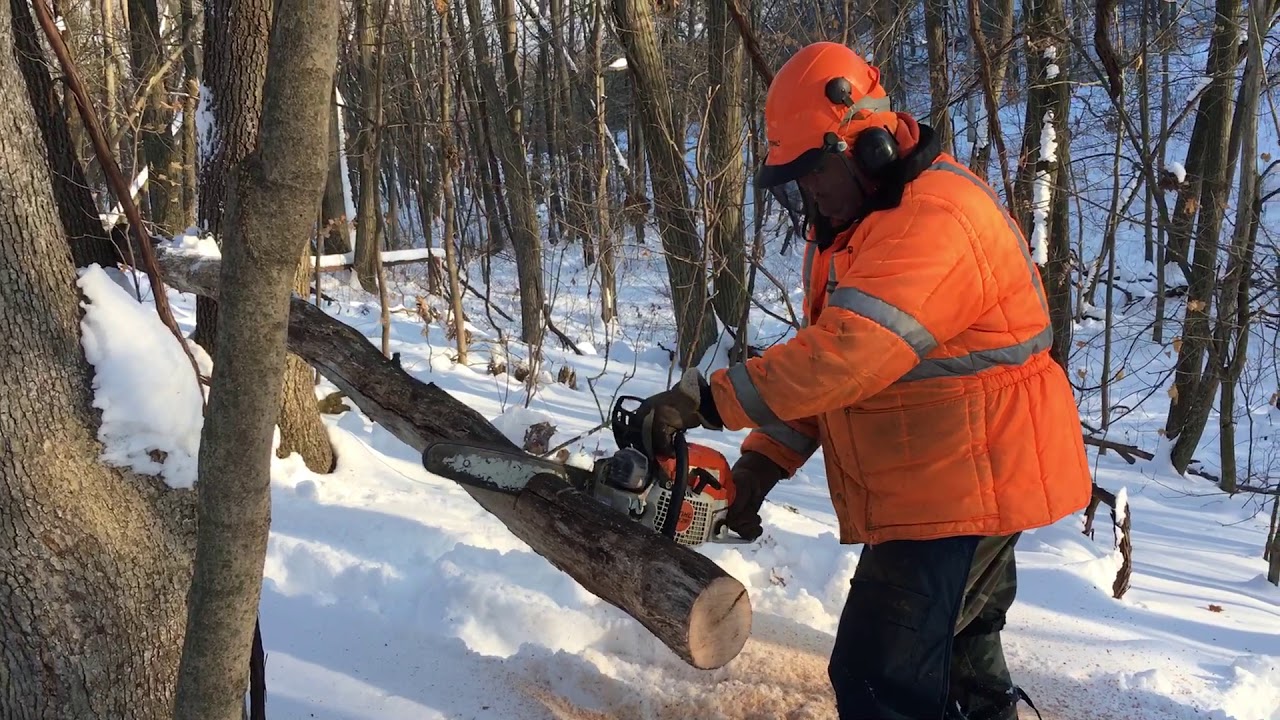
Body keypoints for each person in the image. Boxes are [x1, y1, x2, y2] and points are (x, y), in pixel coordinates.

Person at [636, 41, 1093, 720]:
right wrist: (761, 465)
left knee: (878, 674)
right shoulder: (856, 229)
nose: (808, 194)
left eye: (813, 173)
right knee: (958, 649)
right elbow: (832, 378)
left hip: (970, 477)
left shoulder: (935, 219)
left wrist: (708, 400)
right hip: (944, 476)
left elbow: (848, 357)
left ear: (866, 147)